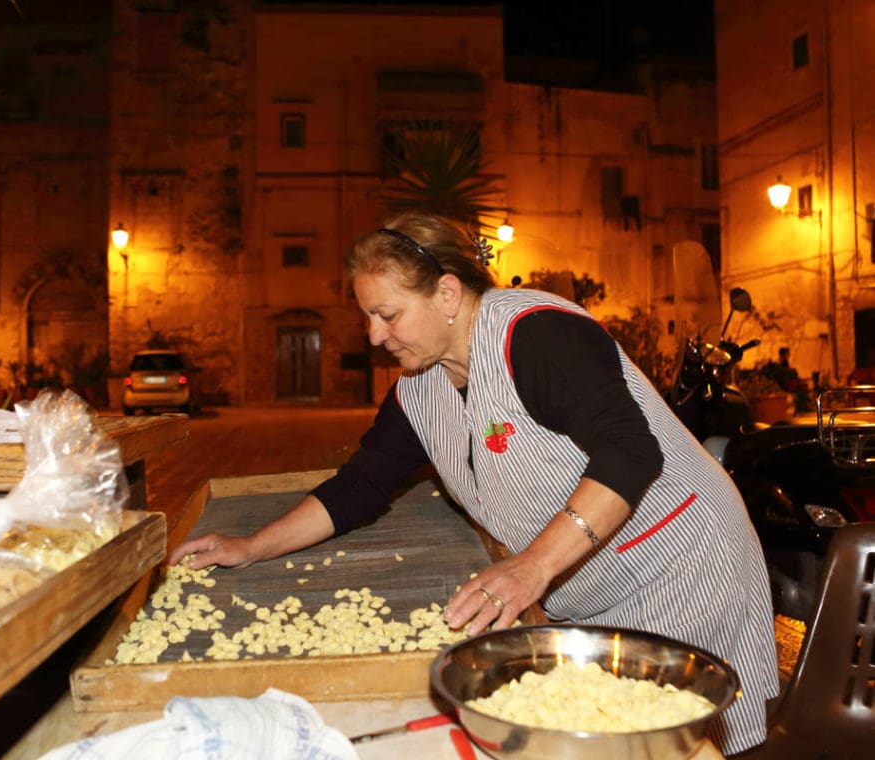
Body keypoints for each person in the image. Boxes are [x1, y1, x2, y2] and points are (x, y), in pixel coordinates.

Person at [168, 211, 779, 755]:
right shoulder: (422, 386)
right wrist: (251, 547)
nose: (375, 336)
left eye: (387, 314)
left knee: (682, 740)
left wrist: (531, 566)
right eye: (368, 318)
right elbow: (359, 486)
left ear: (449, 295)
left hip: (683, 565)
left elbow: (628, 452)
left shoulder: (537, 336)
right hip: (585, 590)